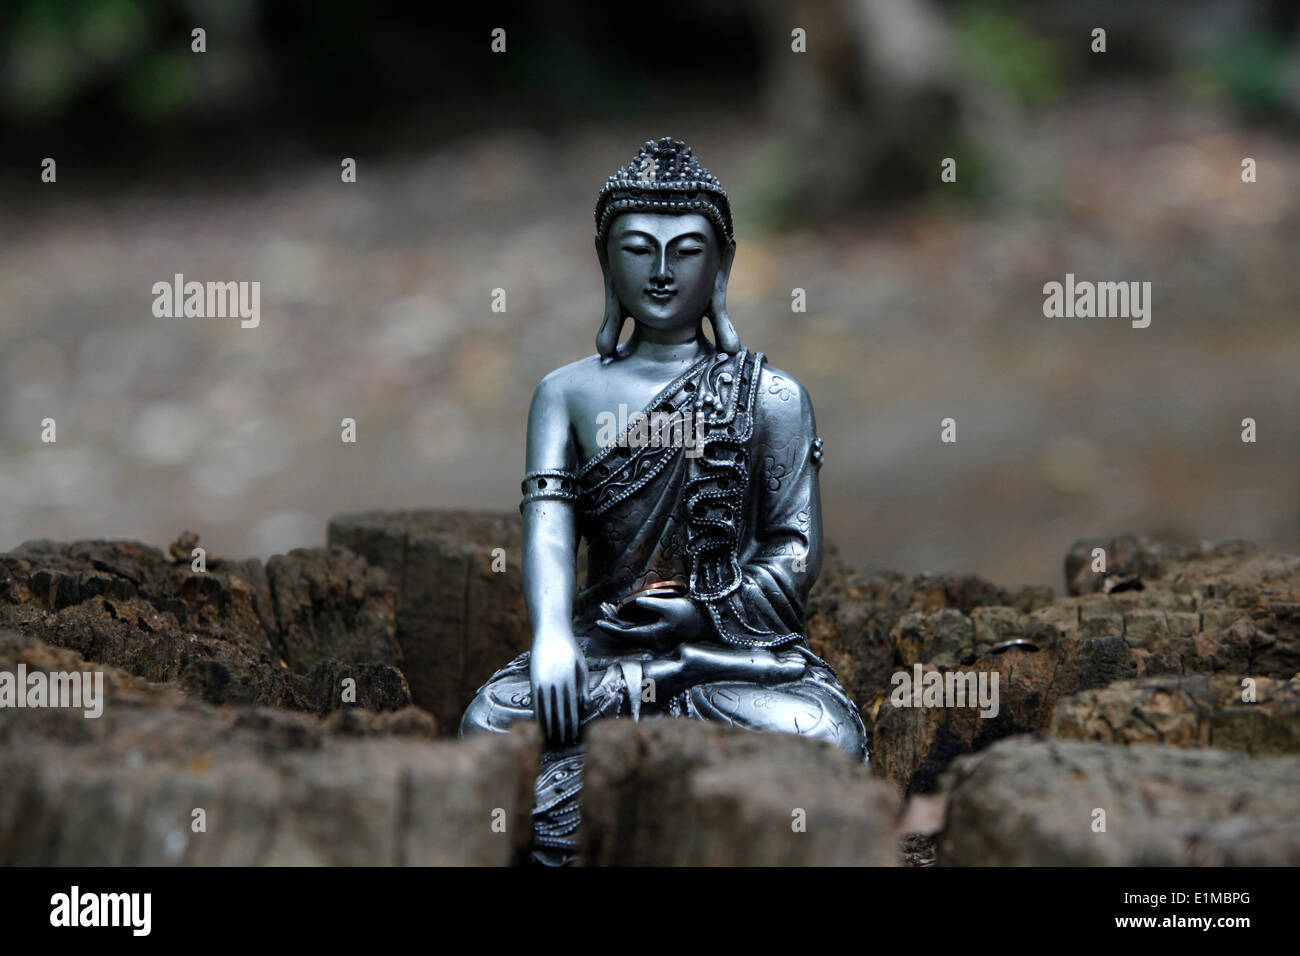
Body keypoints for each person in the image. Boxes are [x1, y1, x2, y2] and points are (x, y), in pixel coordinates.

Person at [460, 138, 867, 864]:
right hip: (607, 651)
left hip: (728, 661)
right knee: (489, 721)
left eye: (685, 250)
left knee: (823, 732)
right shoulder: (565, 394)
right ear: (604, 261)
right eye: (638, 249)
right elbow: (550, 527)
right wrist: (553, 636)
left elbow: (793, 551)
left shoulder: (772, 396)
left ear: (723, 264)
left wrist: (700, 617)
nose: (660, 271)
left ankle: (606, 803)